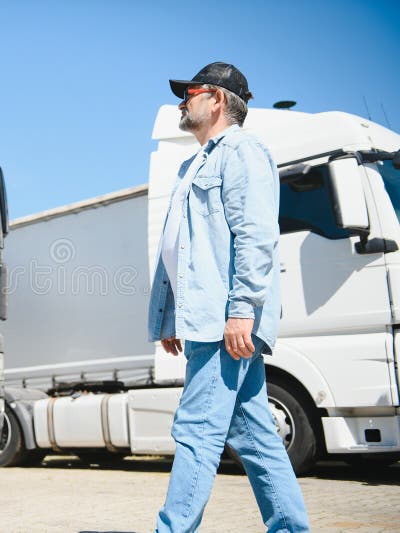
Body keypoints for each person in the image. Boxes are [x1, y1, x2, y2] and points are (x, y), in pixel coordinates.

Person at [147, 62, 310, 532]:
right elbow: (188, 249)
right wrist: (170, 317)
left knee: (197, 429)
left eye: (190, 92)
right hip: (206, 319)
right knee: (255, 435)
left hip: (226, 321)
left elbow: (255, 236)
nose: (182, 101)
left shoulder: (242, 151)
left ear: (218, 99)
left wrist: (242, 311)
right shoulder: (194, 162)